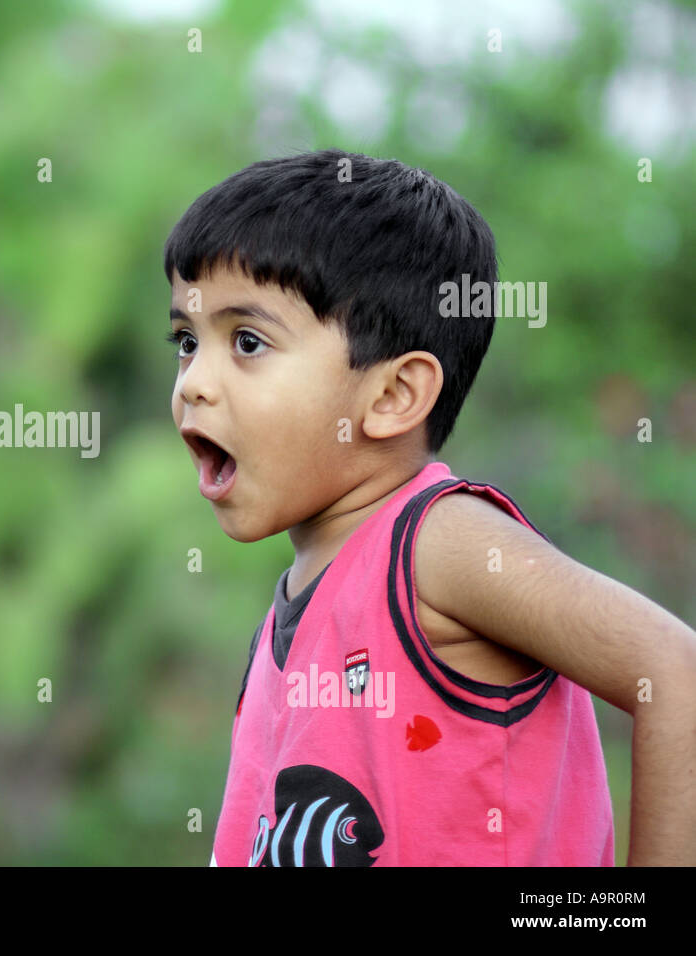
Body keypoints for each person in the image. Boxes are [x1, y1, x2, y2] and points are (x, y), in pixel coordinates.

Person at [163, 149, 696, 866]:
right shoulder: (283, 626)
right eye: (187, 342)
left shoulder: (436, 547)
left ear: (392, 396)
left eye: (247, 341)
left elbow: (674, 673)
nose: (195, 381)